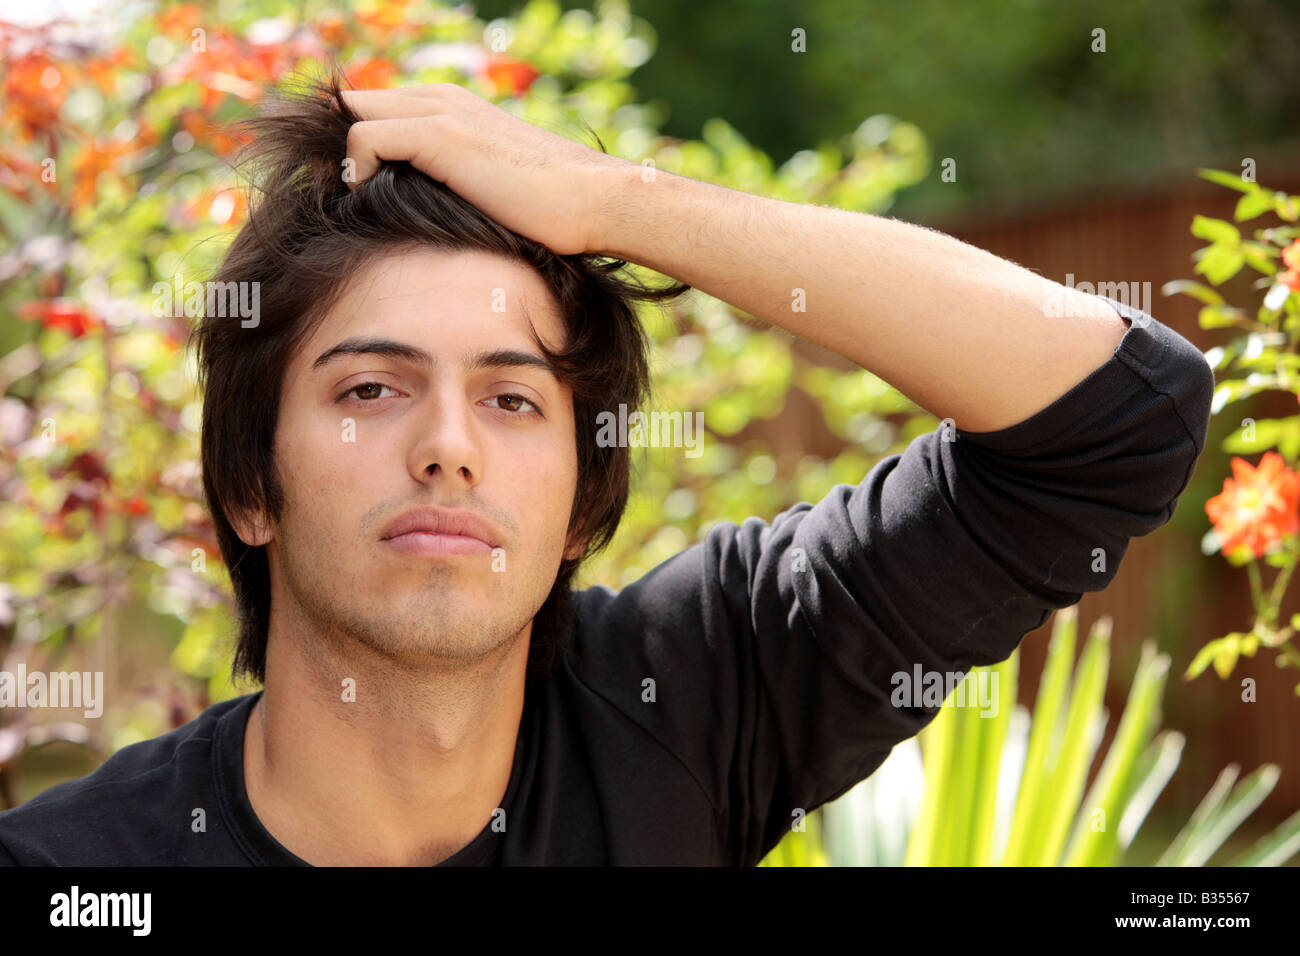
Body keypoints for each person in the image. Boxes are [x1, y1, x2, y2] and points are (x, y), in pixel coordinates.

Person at [0, 71, 1213, 866]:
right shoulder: (77, 872)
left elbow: (1121, 412)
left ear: (583, 500)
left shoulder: (691, 698)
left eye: (512, 398)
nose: (447, 444)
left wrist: (612, 202)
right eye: (370, 388)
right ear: (248, 486)